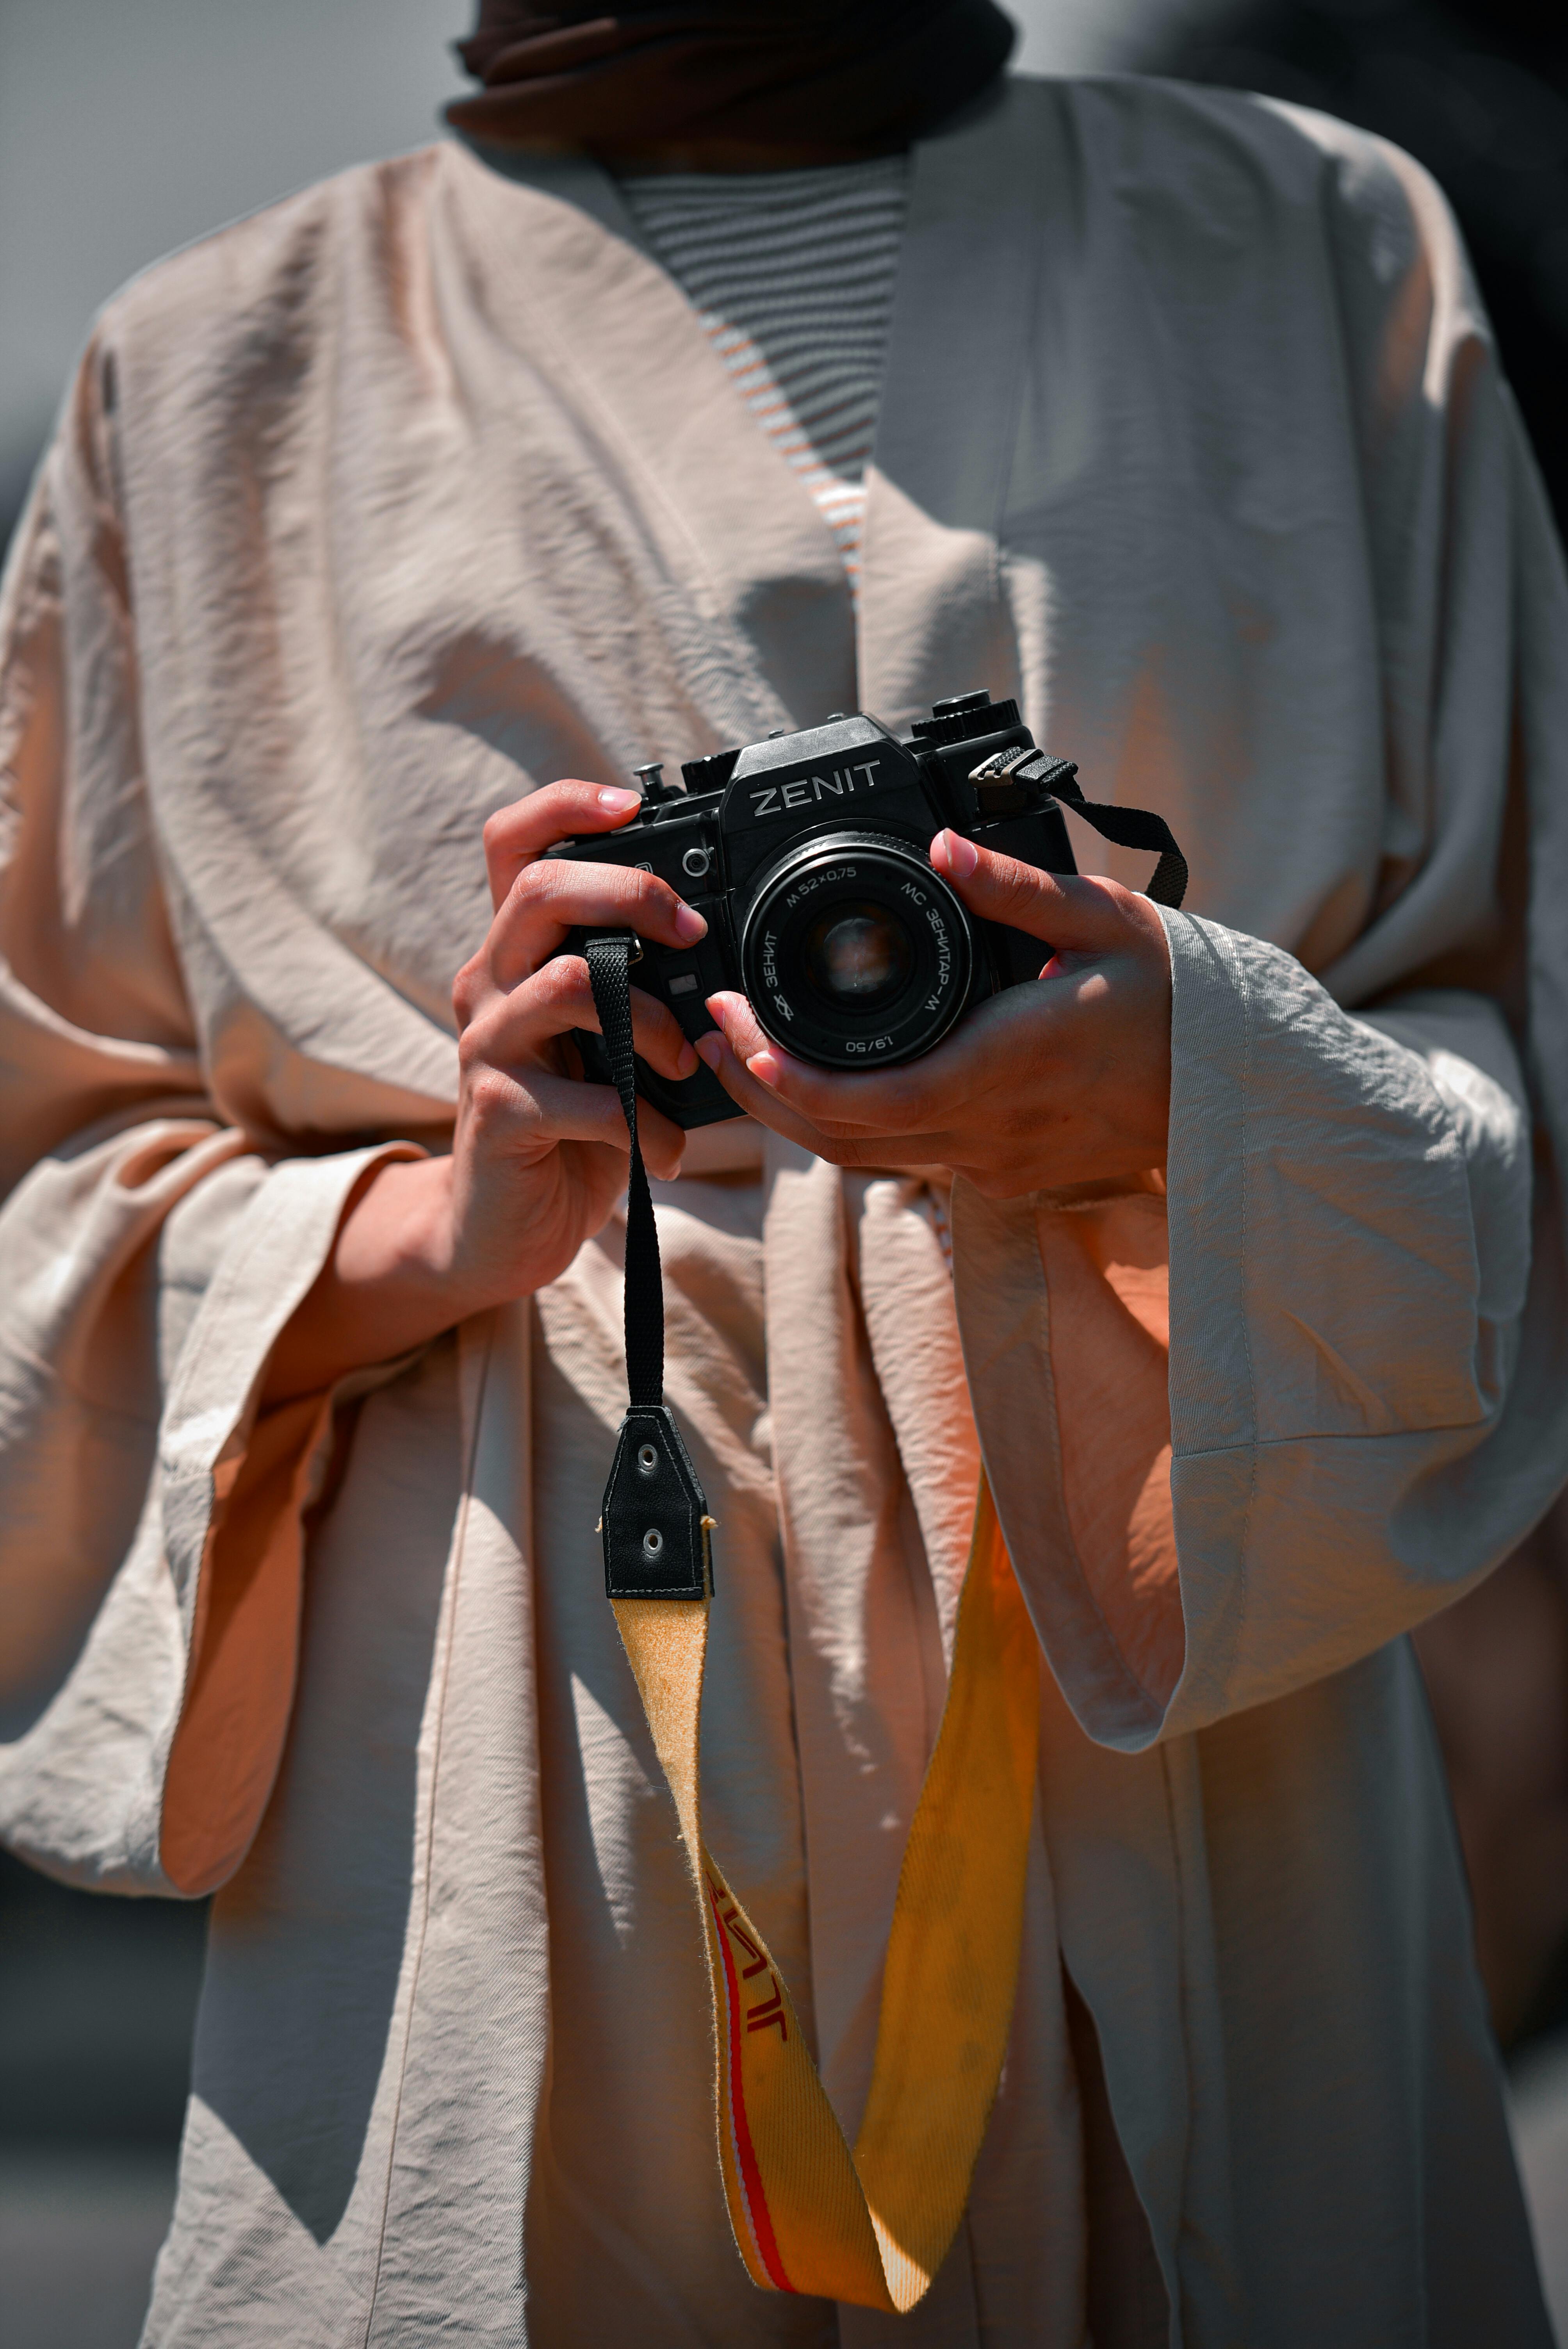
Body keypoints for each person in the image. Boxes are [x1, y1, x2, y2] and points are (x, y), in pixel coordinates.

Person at [1, 2, 1564, 2340]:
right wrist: (431, 1220)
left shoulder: (1321, 247)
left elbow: (1513, 1037)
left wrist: (1195, 1084)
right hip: (507, 1768)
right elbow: (42, 1201)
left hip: (1182, 1715)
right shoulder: (214, 367)